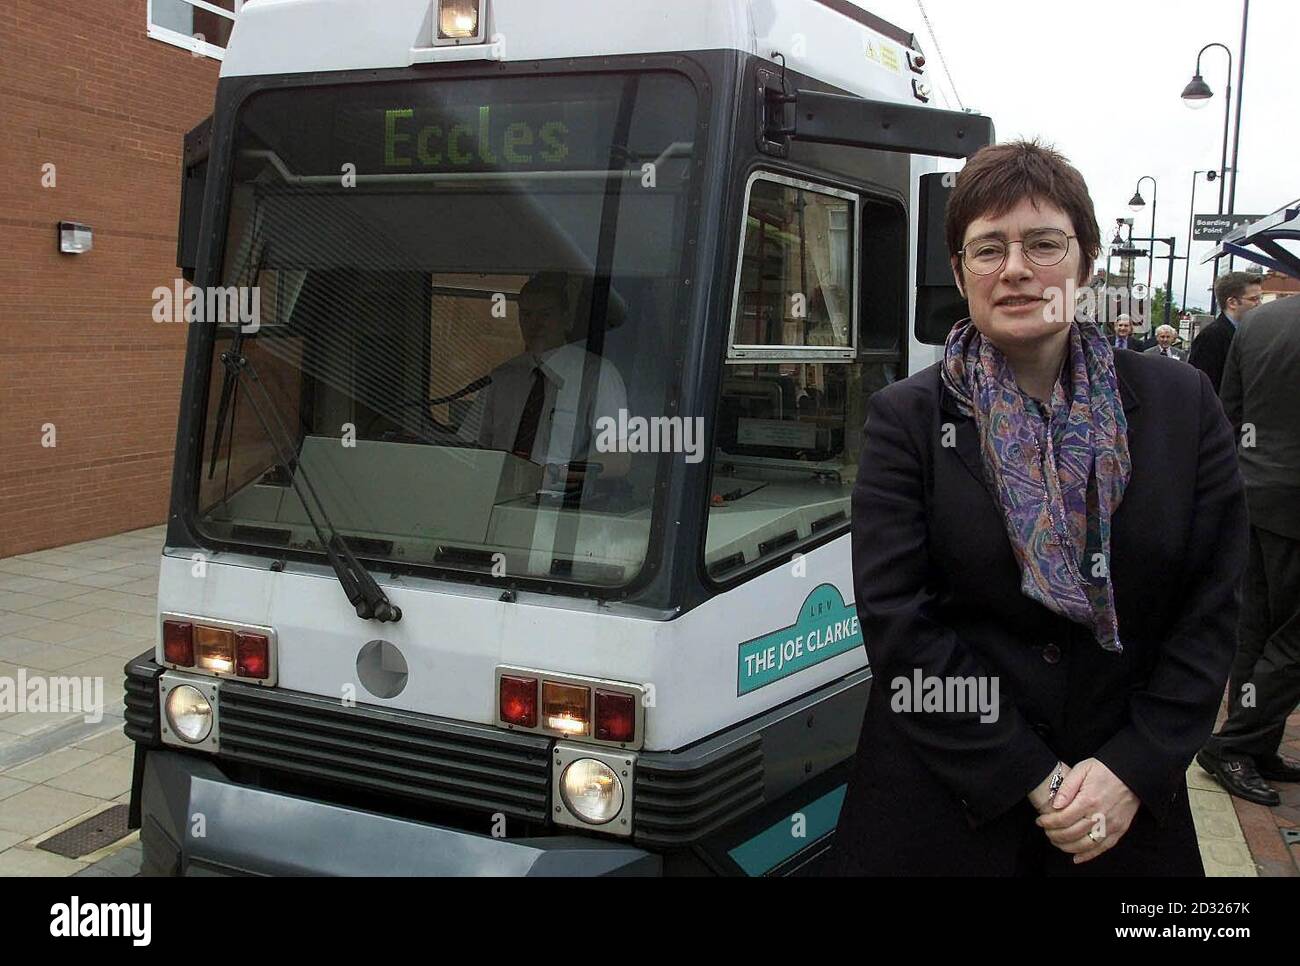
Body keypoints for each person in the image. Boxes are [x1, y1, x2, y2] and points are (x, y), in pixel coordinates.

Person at [826, 140, 1247, 876]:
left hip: (1124, 819)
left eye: (1043, 243)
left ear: (1085, 262)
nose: (1015, 268)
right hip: (946, 808)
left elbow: (1209, 612)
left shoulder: (1183, 407)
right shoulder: (909, 420)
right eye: (987, 249)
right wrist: (1036, 776)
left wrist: (1131, 771)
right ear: (961, 273)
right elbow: (901, 625)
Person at [1197, 293, 1300, 805]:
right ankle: (1235, 742)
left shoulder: (1259, 321)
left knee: (1255, 629)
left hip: (1254, 491)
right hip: (1291, 501)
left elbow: (1229, 410)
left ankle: (1250, 741)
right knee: (1293, 640)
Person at [459, 272, 630, 480]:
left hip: (559, 504)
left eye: (545, 314)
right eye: (527, 315)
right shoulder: (502, 377)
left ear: (566, 318)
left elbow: (618, 459)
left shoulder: (597, 375)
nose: (535, 324)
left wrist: (555, 475)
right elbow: (471, 447)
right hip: (496, 496)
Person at [1187, 272, 1263, 394]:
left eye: (1260, 298)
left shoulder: (1250, 333)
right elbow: (1202, 386)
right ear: (1232, 302)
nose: (1260, 304)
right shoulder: (1211, 337)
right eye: (1254, 299)